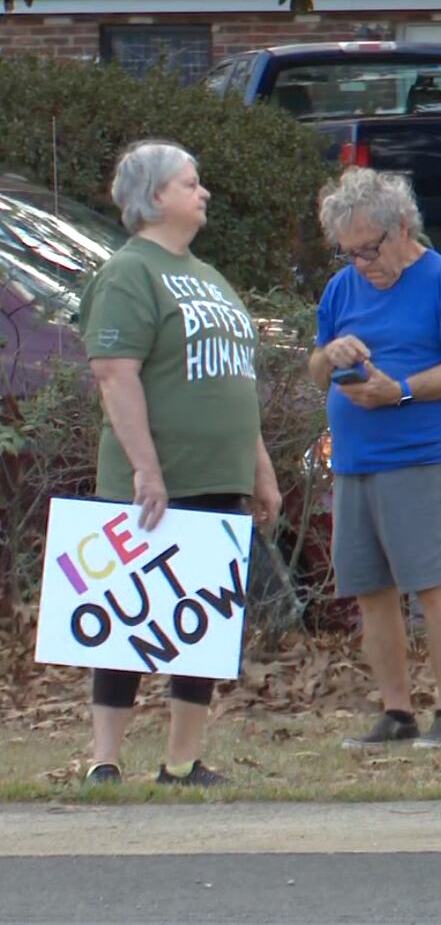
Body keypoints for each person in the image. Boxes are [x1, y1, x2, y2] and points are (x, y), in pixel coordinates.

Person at [79, 140, 282, 787]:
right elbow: (115, 373)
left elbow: (236, 381)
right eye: (191, 183)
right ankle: (105, 758)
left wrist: (260, 467)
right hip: (155, 483)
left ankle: (181, 759)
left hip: (218, 477)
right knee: (127, 619)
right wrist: (147, 468)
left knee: (203, 622)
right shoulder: (129, 272)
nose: (204, 193)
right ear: (155, 196)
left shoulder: (209, 275)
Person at [309, 168, 441, 750]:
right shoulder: (342, 289)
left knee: (432, 586)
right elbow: (315, 371)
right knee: (371, 590)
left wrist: (401, 390)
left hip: (421, 457)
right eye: (350, 252)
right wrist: (330, 355)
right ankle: (395, 711)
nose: (363, 264)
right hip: (356, 462)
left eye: (370, 249)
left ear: (402, 227)